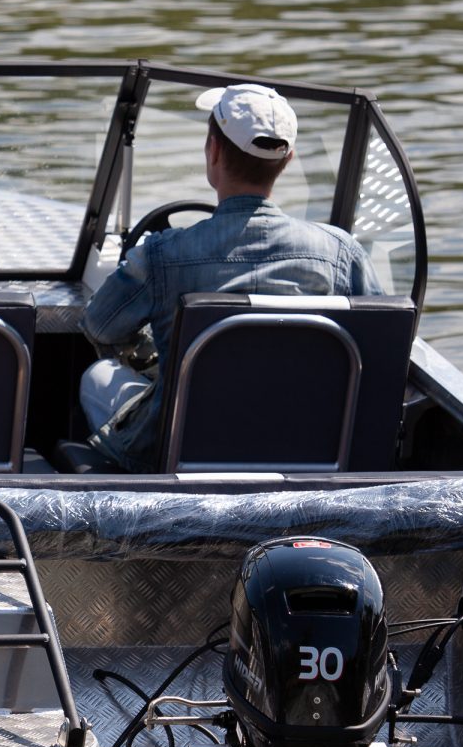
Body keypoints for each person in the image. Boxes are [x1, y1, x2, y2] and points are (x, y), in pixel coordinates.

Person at [79, 83, 382, 472]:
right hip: (307, 448)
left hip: (177, 451)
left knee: (97, 375)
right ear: (288, 160)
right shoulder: (342, 253)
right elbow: (379, 350)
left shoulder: (161, 256)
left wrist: (149, 351)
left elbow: (99, 326)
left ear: (214, 151)